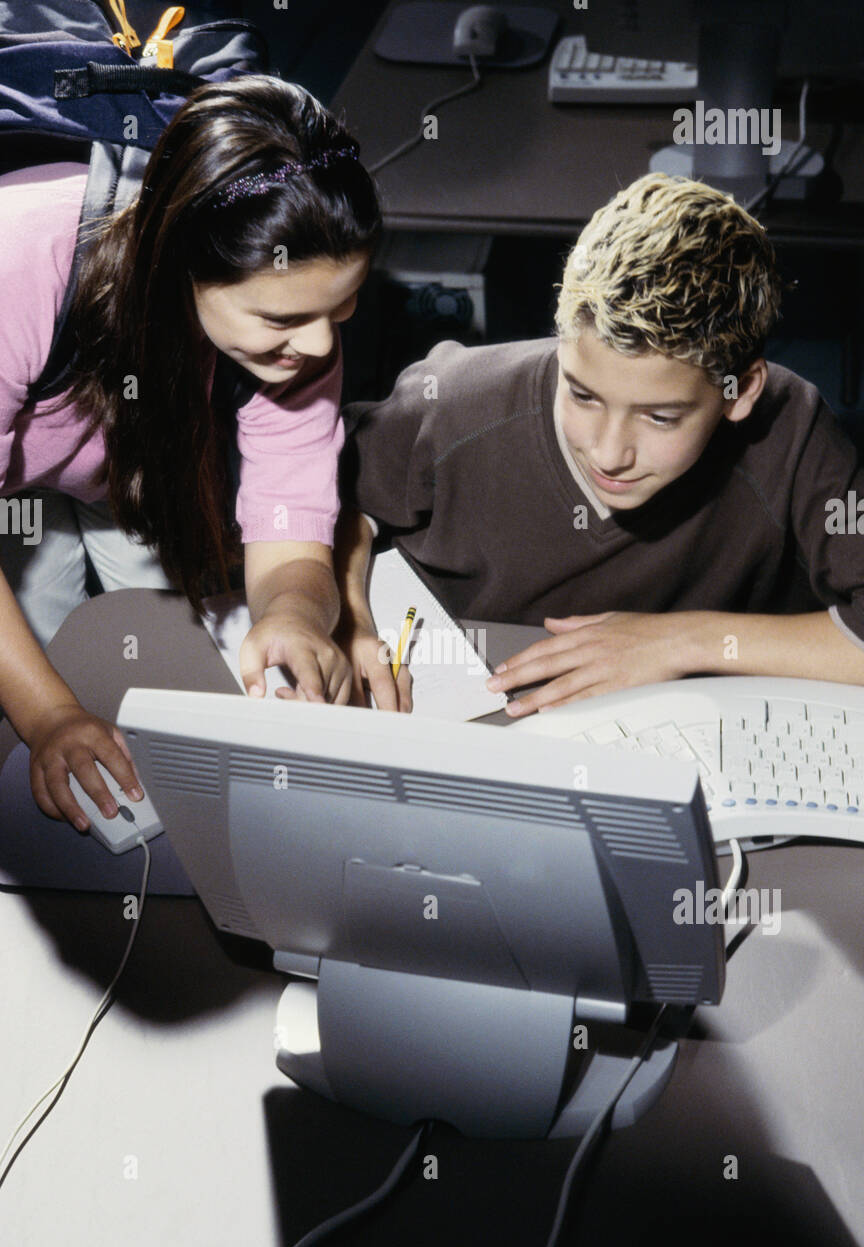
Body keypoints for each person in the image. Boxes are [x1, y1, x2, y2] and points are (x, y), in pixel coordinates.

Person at [0, 75, 380, 829]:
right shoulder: (17, 263)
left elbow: (288, 519)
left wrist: (296, 617)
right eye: (284, 317)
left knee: (155, 660)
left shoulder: (297, 317)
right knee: (37, 707)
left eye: (343, 305)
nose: (319, 345)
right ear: (180, 265)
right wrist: (48, 717)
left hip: (127, 458)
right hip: (22, 459)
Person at [337, 172, 864, 714]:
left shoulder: (791, 429)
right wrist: (349, 618)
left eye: (660, 418)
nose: (610, 454)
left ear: (741, 391)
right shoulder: (453, 401)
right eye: (583, 395)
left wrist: (681, 642)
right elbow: (329, 502)